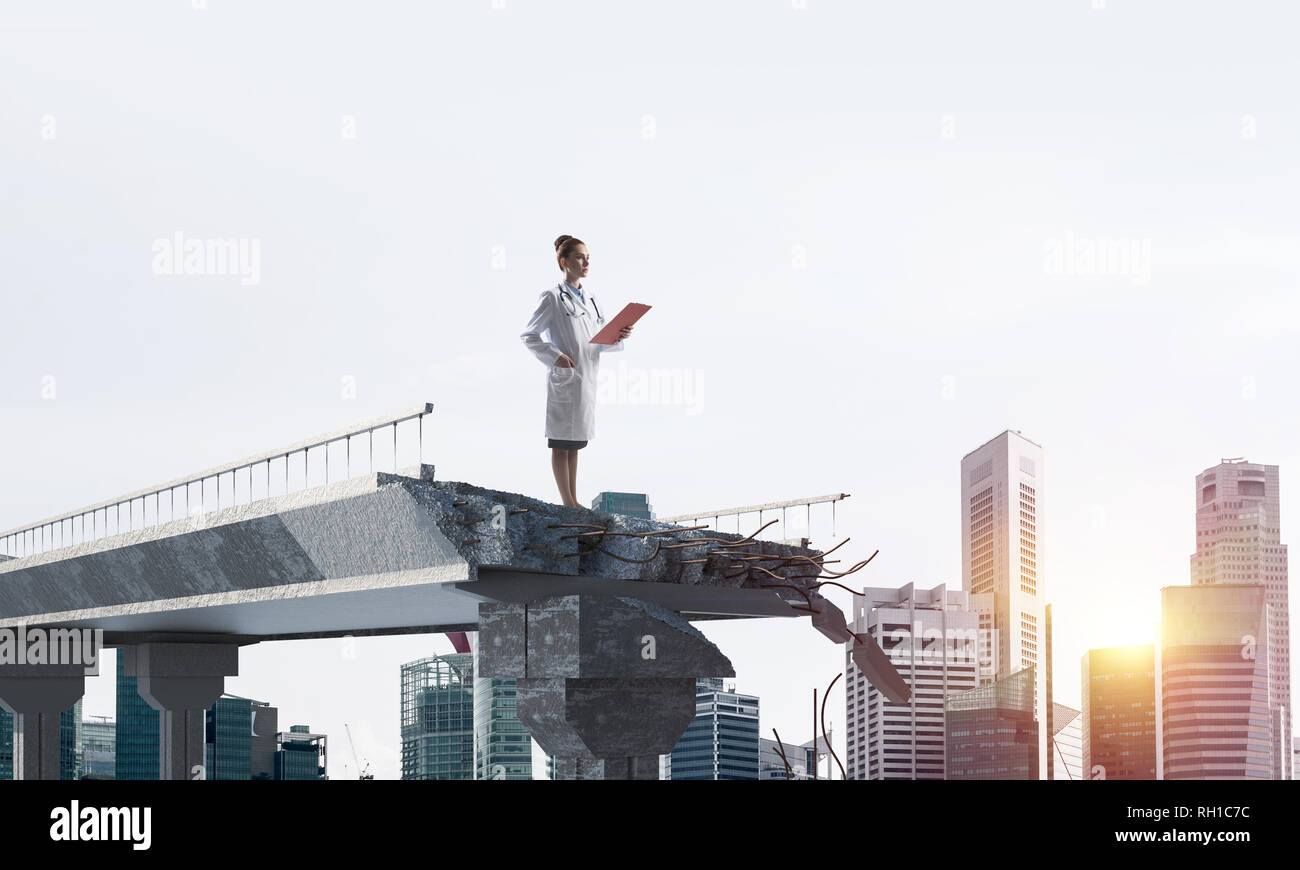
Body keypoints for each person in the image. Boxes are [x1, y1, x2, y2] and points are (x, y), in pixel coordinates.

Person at [520, 235, 633, 507]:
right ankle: (567, 500)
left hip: (585, 377)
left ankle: (573, 498)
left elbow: (597, 339)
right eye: (580, 257)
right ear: (564, 261)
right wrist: (555, 356)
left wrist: (619, 335)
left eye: (588, 258)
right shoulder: (551, 297)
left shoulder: (592, 299)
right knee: (560, 442)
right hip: (566, 376)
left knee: (575, 442)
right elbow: (529, 335)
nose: (585, 262)